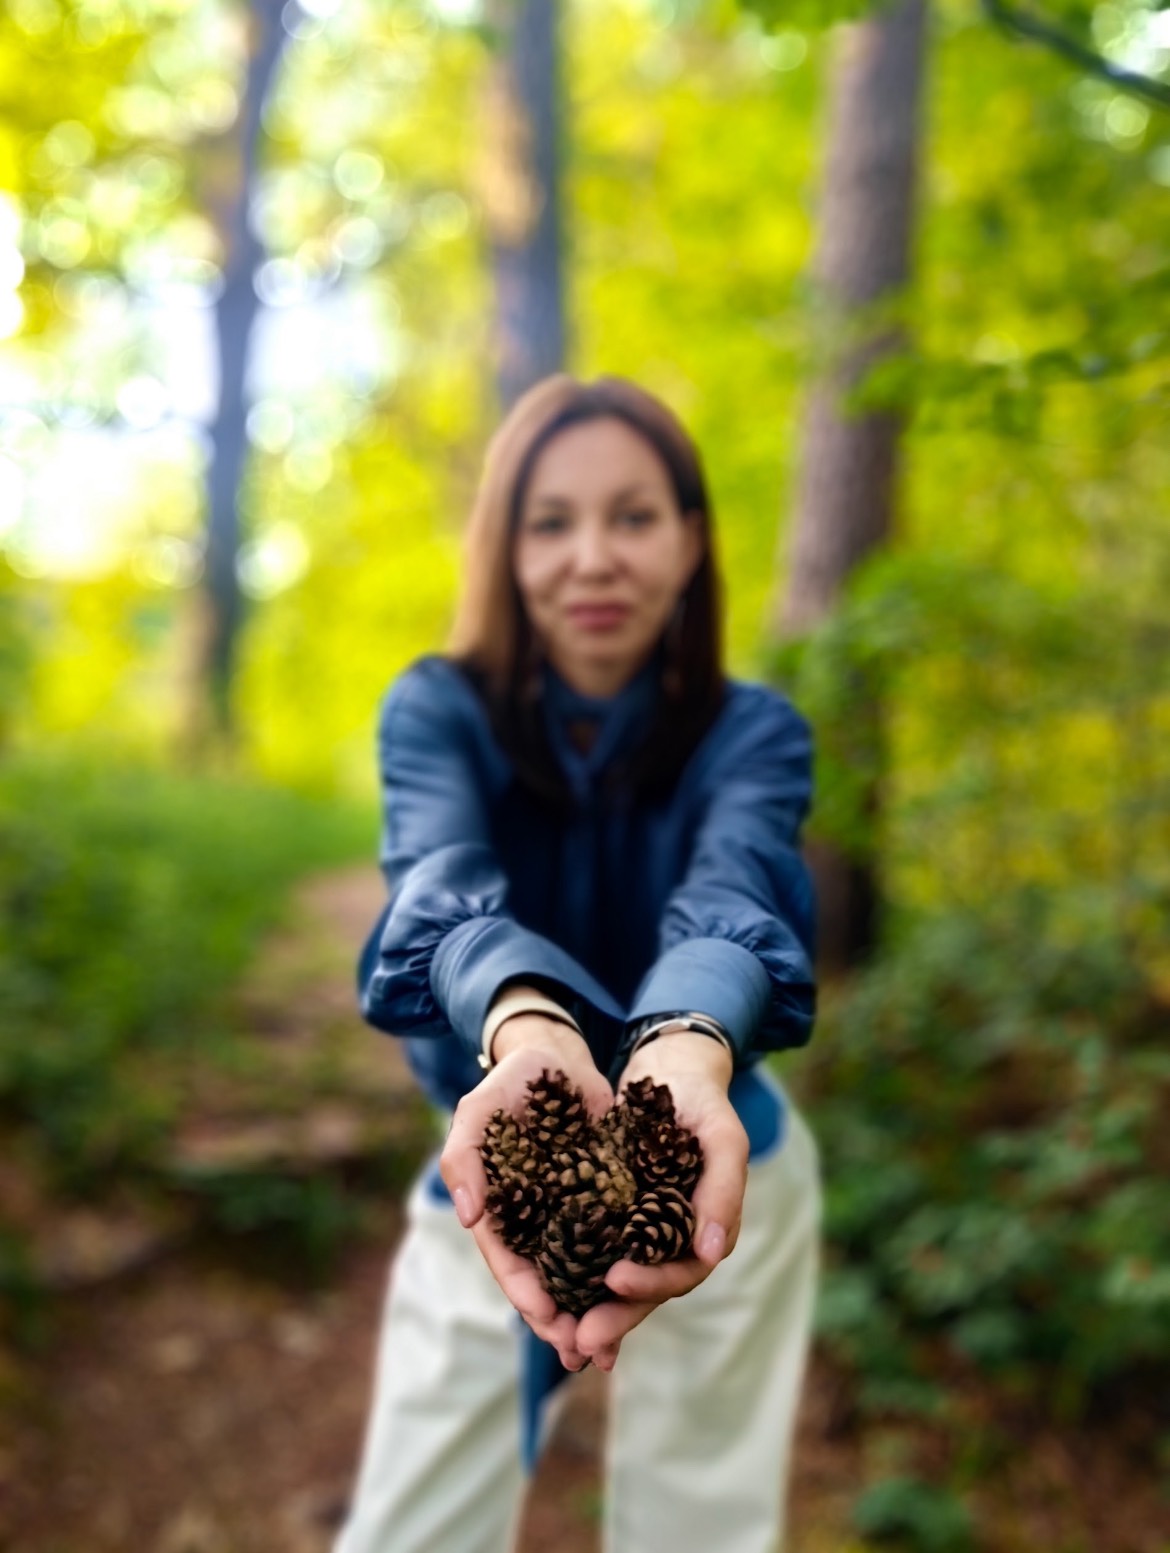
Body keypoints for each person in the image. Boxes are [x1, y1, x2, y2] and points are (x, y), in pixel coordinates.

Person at [335, 374, 821, 1553]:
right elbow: (438, 885)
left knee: (698, 1531)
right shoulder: (438, 710)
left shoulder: (752, 730)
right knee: (412, 1527)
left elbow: (734, 890)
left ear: (692, 539)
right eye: (552, 521)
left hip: (727, 1170)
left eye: (634, 516)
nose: (593, 557)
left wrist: (681, 1042)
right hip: (493, 1169)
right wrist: (528, 1021)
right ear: (505, 547)